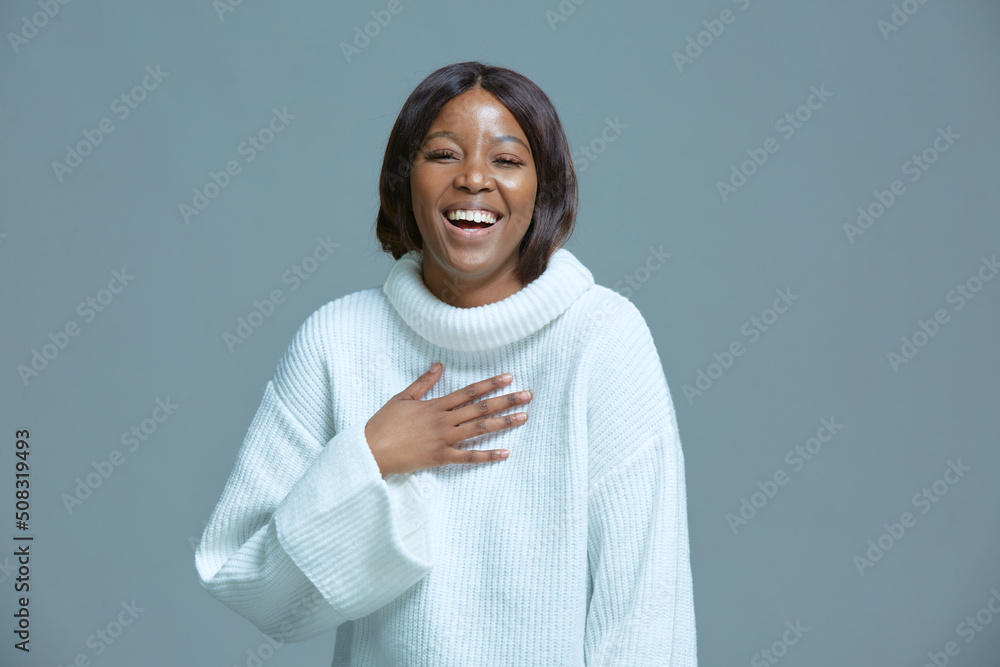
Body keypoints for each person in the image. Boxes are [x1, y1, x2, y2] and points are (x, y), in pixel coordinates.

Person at [195, 60, 697, 666]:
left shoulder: (602, 339)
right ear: (406, 177)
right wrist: (370, 457)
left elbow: (645, 612)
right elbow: (257, 590)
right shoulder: (337, 339)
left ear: (545, 189)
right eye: (443, 155)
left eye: (507, 160)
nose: (475, 179)